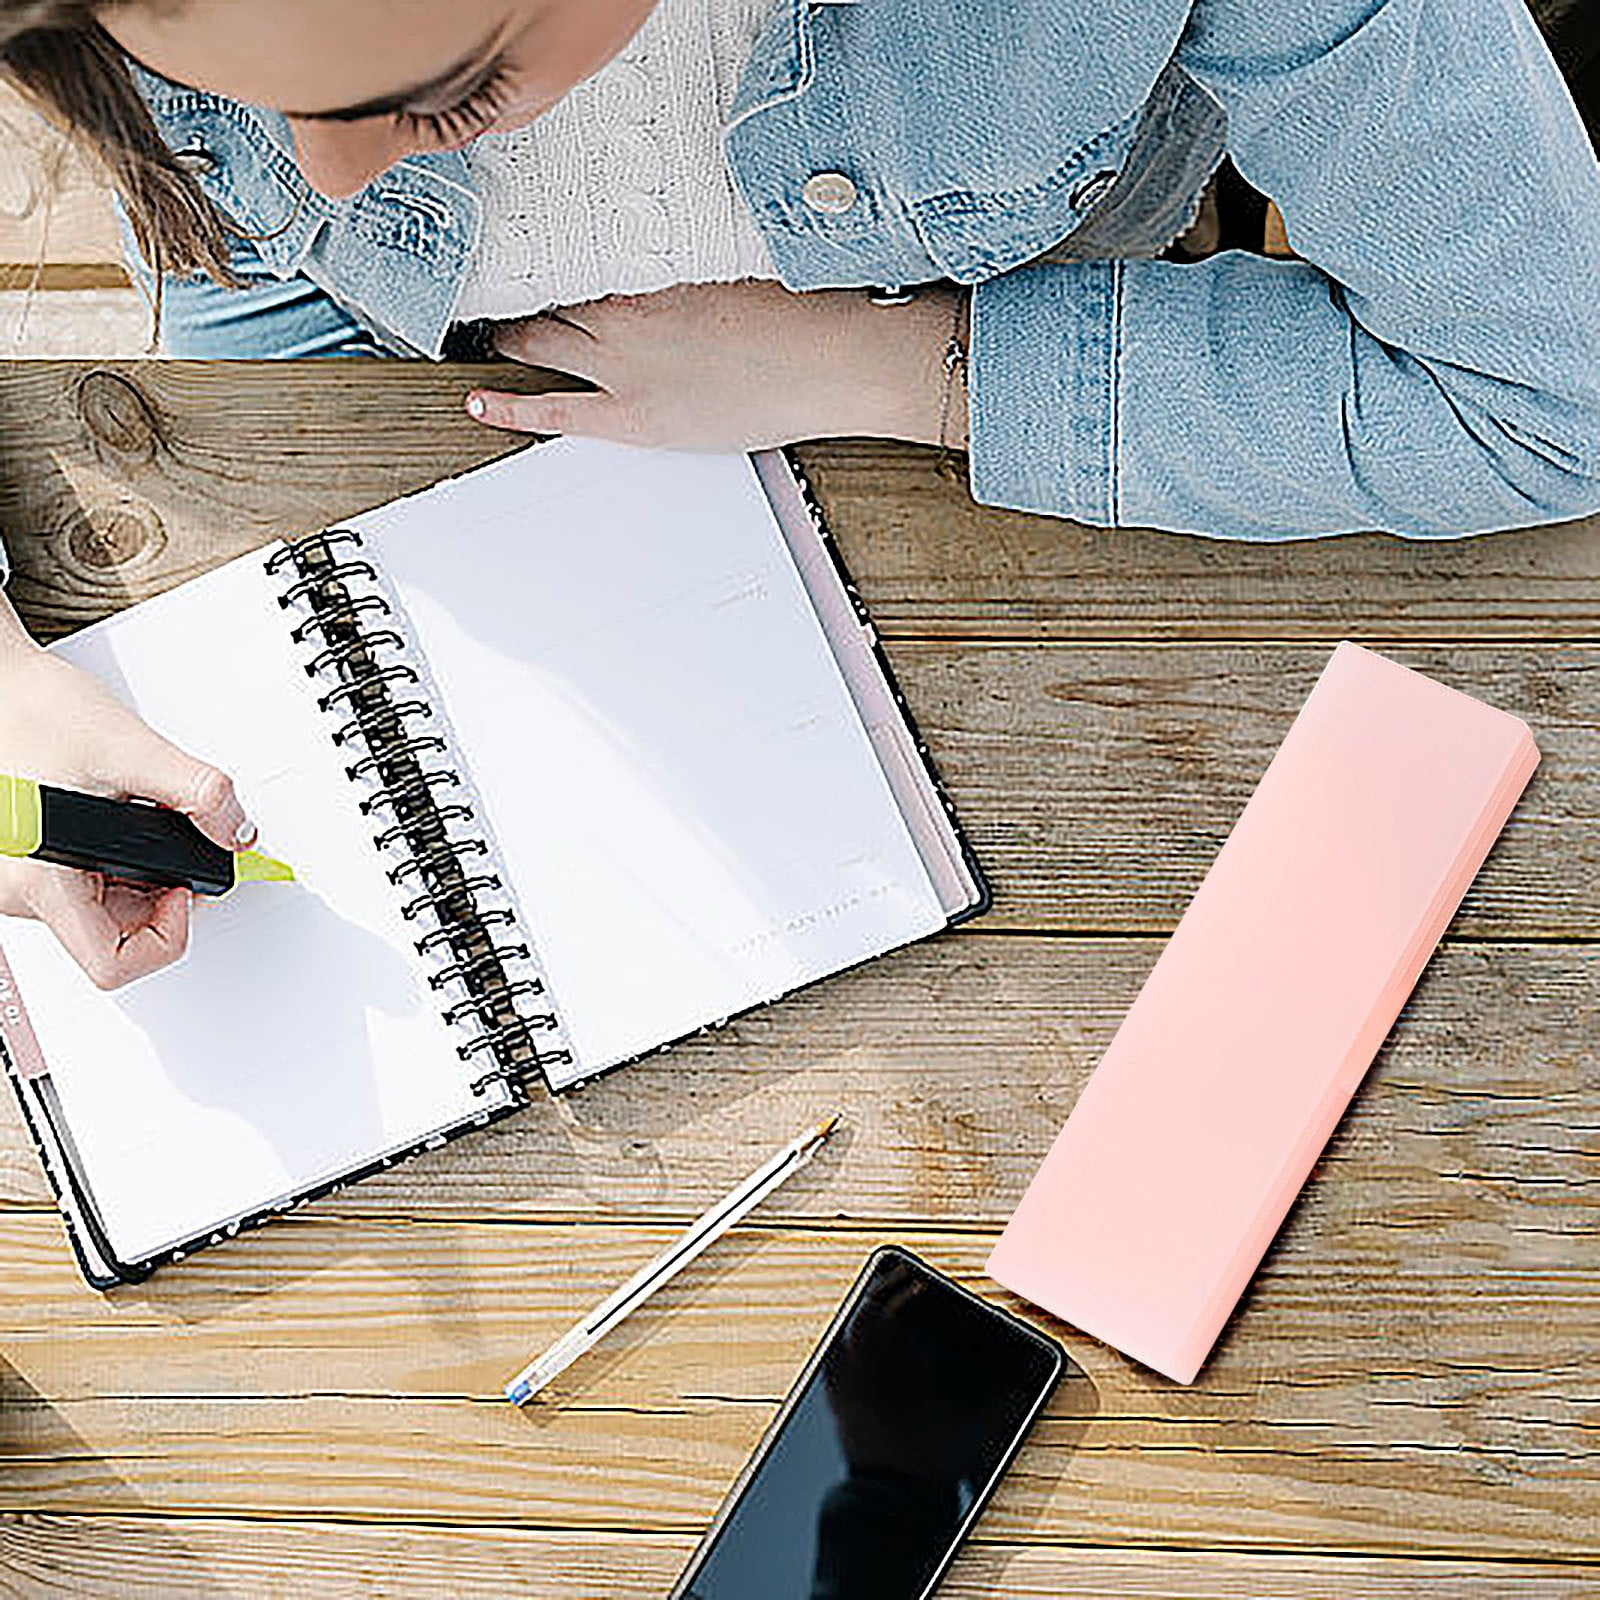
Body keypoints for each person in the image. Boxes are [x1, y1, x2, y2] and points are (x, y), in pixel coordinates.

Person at [1, 0, 1598, 989]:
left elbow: (1549, 391)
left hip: (1003, 484)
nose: (333, 180)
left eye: (446, 91)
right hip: (432, 442)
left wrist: (897, 371)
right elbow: (254, 247)